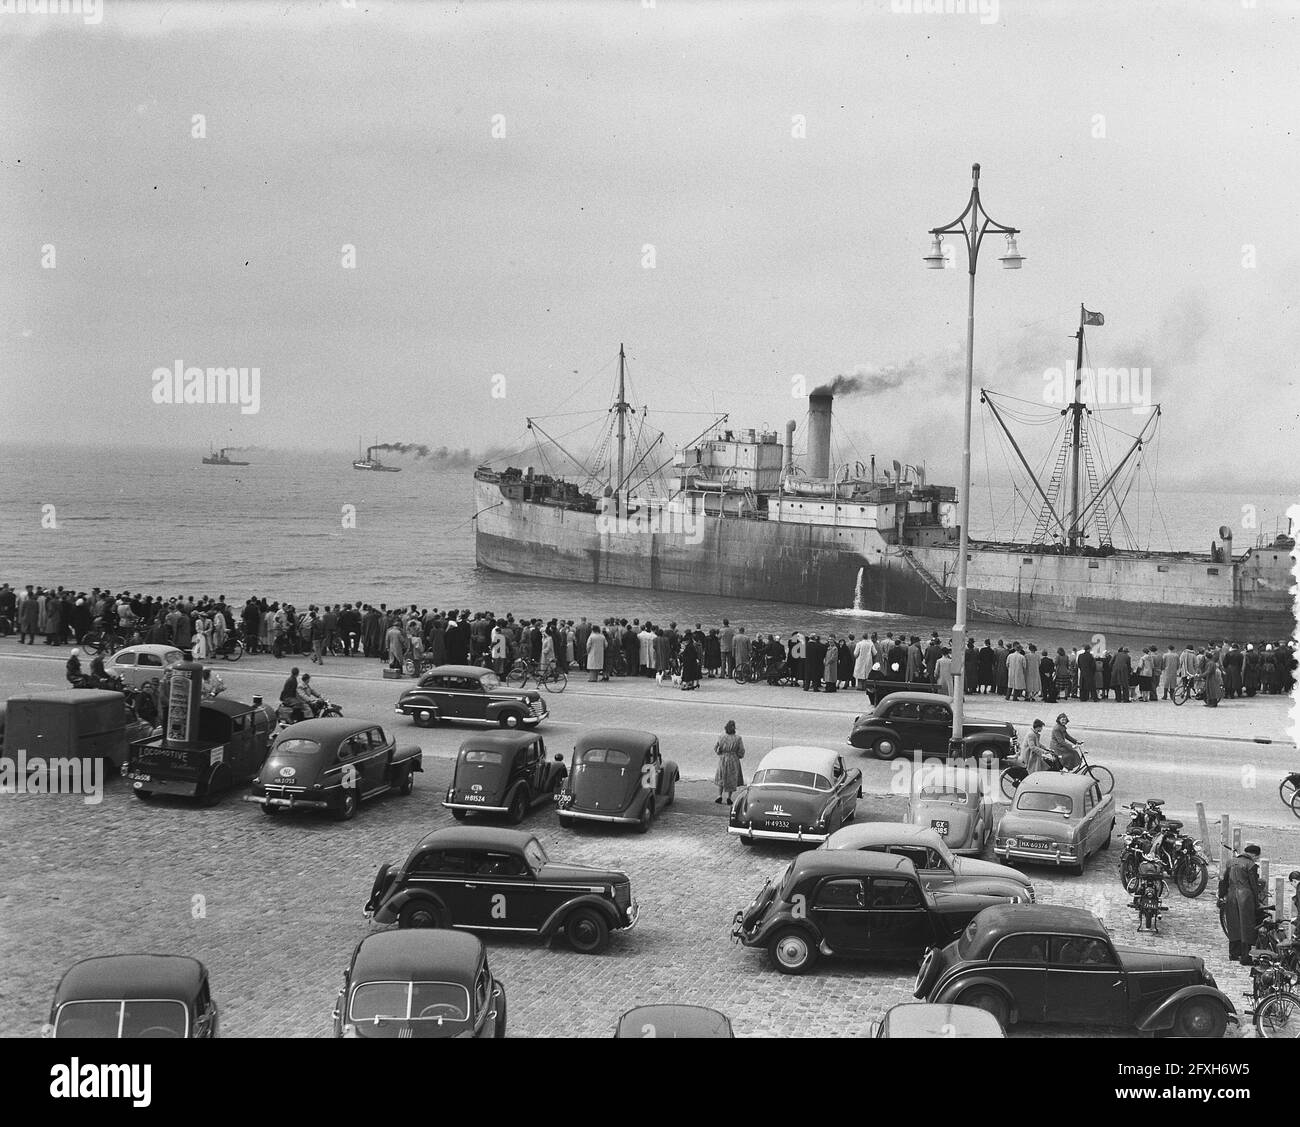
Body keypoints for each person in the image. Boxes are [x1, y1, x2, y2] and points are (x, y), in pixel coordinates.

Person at [1219, 843, 1263, 964]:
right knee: (1247, 926)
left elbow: (1224, 881)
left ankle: (1233, 953)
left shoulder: (1231, 862)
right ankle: (1245, 957)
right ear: (1253, 855)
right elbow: (1254, 885)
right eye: (1257, 857)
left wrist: (1221, 896)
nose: (1257, 859)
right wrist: (1256, 902)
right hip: (1246, 897)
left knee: (1233, 925)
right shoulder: (1251, 865)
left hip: (1231, 896)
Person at [713, 719, 745, 804]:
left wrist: (720, 753)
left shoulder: (721, 736)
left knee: (721, 777)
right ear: (734, 728)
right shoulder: (738, 738)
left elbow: (716, 748)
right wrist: (738, 755)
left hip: (723, 758)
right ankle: (729, 797)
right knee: (732, 778)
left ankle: (719, 795)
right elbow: (741, 751)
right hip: (733, 759)